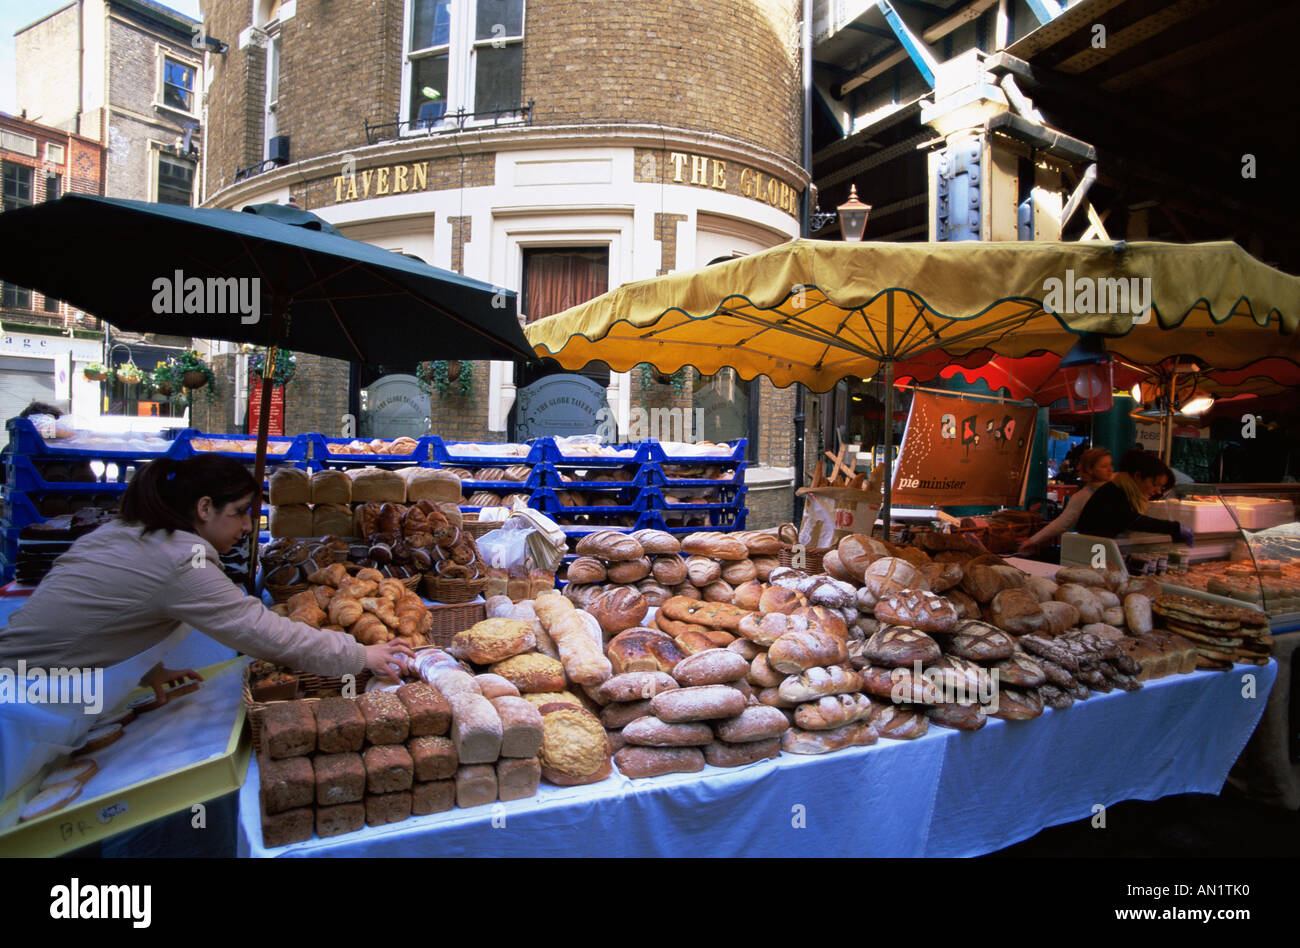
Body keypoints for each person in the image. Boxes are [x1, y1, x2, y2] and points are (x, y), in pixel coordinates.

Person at [0, 454, 413, 681]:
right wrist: (359, 655)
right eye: (239, 514)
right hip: (25, 701)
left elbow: (95, 620)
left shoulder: (125, 533)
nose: (247, 527)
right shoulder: (181, 559)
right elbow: (259, 631)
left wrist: (141, 673)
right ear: (203, 509)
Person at [1074, 449, 1194, 543]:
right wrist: (1176, 528)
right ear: (1137, 476)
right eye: (1155, 484)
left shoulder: (1126, 491)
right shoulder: (1113, 493)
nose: (1158, 491)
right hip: (1092, 554)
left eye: (1161, 487)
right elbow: (1132, 520)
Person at [1017, 447, 1114, 555]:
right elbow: (1062, 523)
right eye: (1104, 466)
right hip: (1097, 551)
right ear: (1090, 469)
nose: (1110, 469)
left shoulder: (1119, 488)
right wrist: (1032, 540)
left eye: (1110, 465)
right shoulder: (1082, 496)